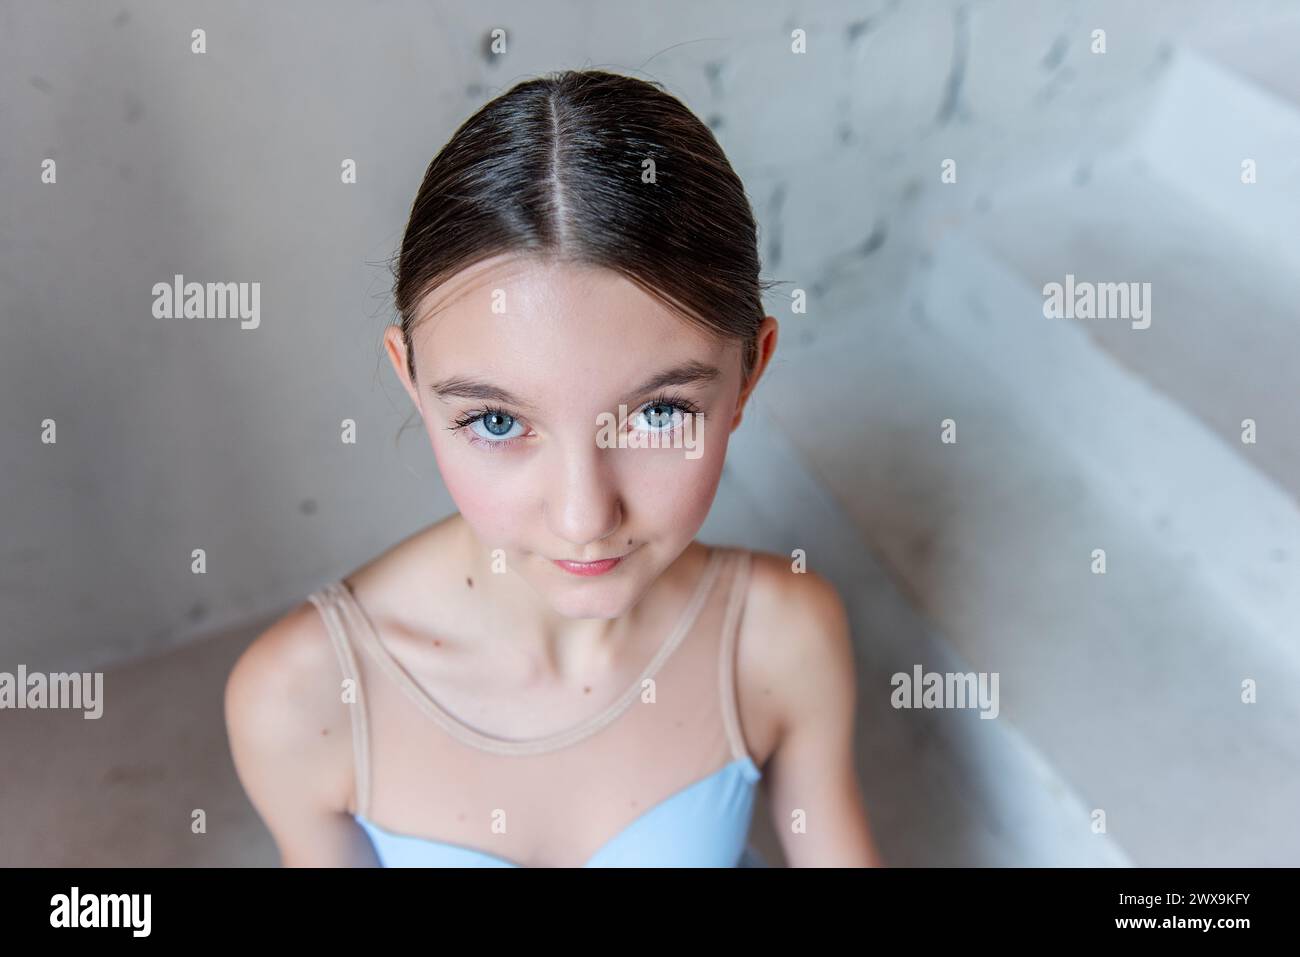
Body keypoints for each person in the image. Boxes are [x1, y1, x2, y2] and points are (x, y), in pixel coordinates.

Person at [224, 69, 881, 867]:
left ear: (748, 374)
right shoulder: (303, 699)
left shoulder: (782, 638)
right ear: (412, 382)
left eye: (659, 413)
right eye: (497, 420)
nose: (583, 515)